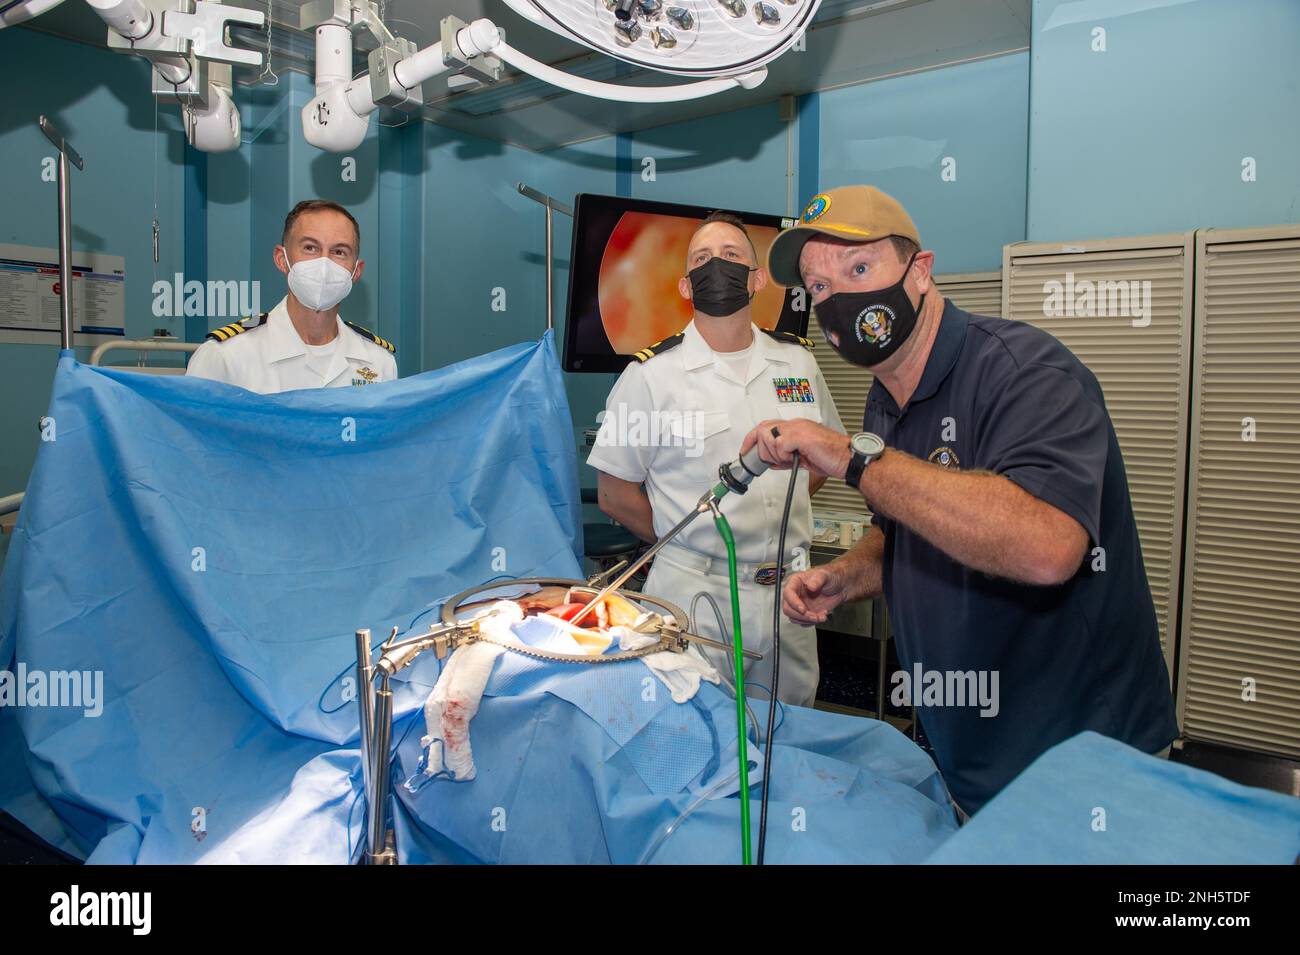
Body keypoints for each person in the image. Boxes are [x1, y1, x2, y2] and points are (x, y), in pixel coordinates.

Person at [743, 184, 1179, 815]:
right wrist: (845, 577)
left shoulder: (1026, 373)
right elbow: (900, 528)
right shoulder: (884, 399)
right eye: (822, 289)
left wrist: (851, 457)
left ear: (920, 272)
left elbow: (1048, 547)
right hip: (966, 755)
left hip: (1080, 762)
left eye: (859, 268)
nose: (839, 300)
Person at [588, 211, 843, 706]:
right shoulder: (649, 376)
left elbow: (824, 460)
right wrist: (692, 541)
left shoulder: (797, 362)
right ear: (686, 286)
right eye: (702, 260)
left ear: (757, 279)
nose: (716, 268)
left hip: (789, 597)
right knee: (697, 744)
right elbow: (614, 495)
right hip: (693, 595)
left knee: (788, 743)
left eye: (731, 257)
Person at [186, 199, 397, 393]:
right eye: (310, 248)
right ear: (282, 259)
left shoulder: (378, 362)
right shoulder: (226, 355)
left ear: (356, 271)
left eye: (339, 251)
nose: (324, 264)